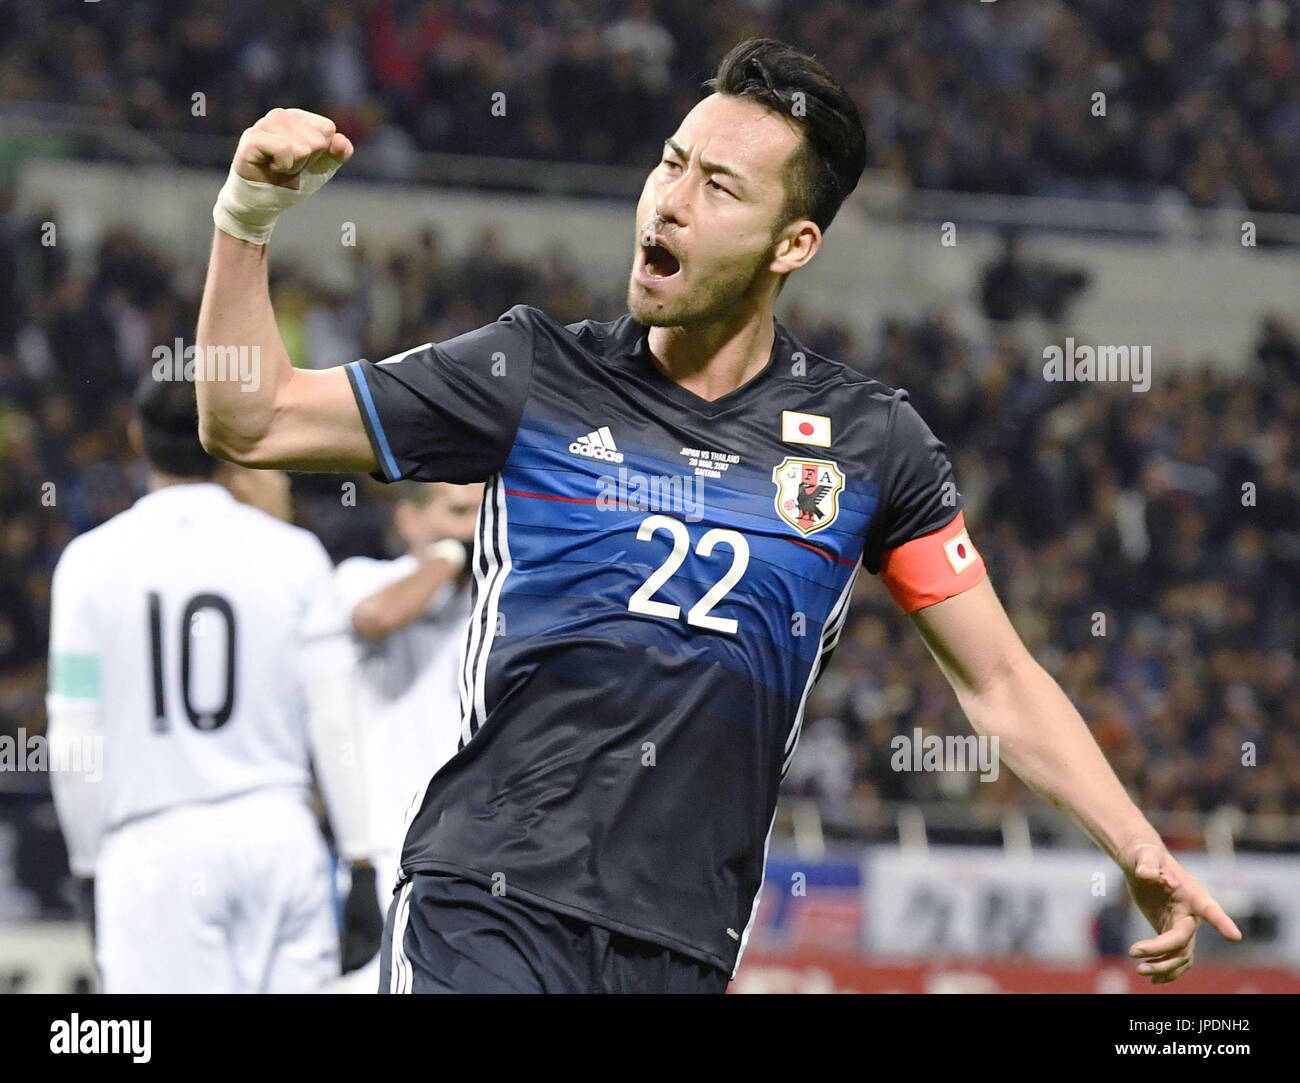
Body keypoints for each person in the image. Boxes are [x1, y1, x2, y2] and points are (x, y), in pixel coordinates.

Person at [193, 38, 1240, 992]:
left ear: (793, 244)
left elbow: (999, 681)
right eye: (670, 163)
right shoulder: (530, 371)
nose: (669, 202)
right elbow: (252, 420)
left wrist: (1134, 844)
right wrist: (246, 216)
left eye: (718, 186)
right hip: (487, 903)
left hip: (684, 944)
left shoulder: (874, 446)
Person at [46, 375, 382, 993]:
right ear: (221, 436)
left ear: (135, 437)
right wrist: (360, 858)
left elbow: (73, 736)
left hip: (154, 847)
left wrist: (89, 867)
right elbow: (334, 715)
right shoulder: (295, 555)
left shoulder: (88, 566)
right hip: (277, 837)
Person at [331, 480, 481, 989]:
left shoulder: (503, 601)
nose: (477, 526)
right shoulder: (366, 577)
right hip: (390, 849)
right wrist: (450, 556)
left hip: (481, 852)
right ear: (409, 520)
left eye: (486, 513)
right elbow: (376, 617)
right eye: (459, 511)